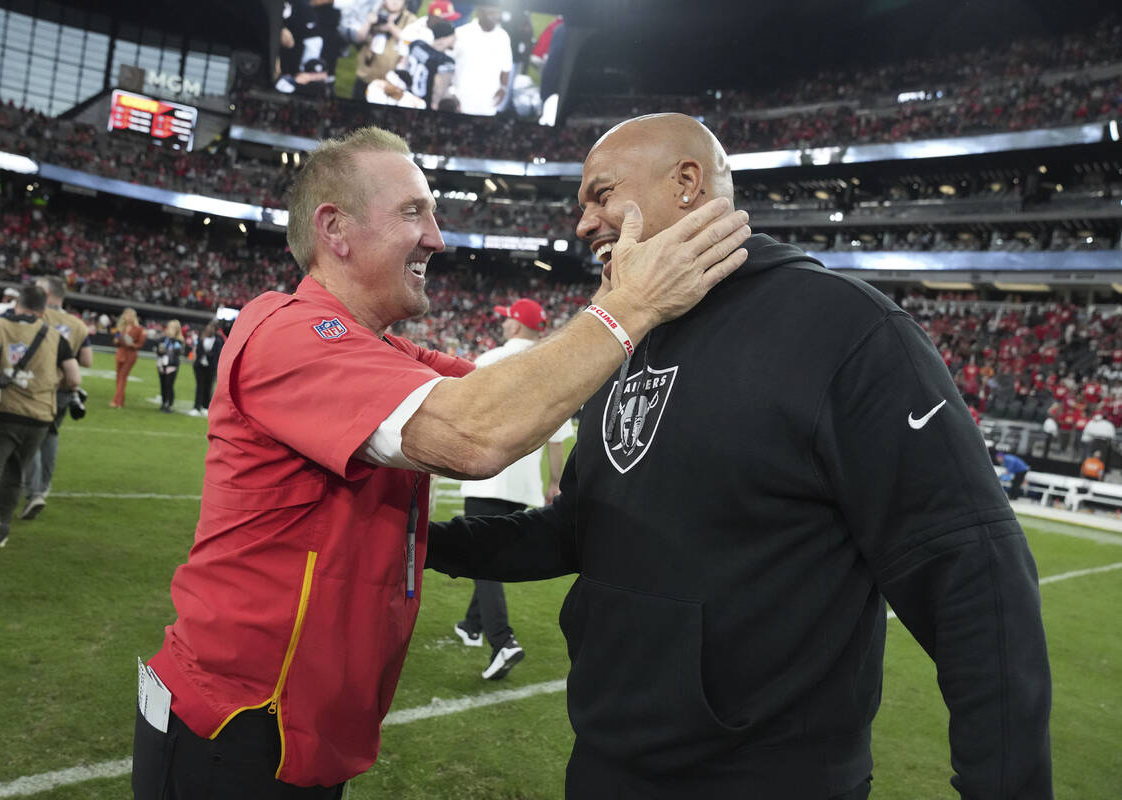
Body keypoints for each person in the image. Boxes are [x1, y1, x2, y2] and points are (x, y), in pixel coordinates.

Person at [427, 113, 1052, 799]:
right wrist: (426, 543)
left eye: (600, 194)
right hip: (609, 762)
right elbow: (577, 527)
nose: (584, 223)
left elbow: (972, 575)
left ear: (687, 182)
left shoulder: (845, 328)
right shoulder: (622, 338)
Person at [132, 125, 750, 798]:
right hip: (236, 723)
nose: (438, 236)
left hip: (296, 725)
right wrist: (630, 304)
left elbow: (526, 389)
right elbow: (476, 433)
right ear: (334, 228)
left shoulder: (382, 351)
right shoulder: (287, 331)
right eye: (413, 211)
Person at [454, 297, 575, 680]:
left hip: (486, 474)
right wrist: (554, 482)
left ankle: (502, 640)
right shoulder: (552, 369)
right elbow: (558, 439)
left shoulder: (490, 360)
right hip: (523, 484)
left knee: (481, 557)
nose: (504, 324)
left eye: (508, 320)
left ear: (518, 325)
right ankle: (472, 625)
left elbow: (461, 414)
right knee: (491, 553)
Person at [0, 283, 82, 573]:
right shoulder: (54, 335)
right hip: (41, 417)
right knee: (13, 475)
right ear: (43, 309)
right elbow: (74, 377)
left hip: (5, 413)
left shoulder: (1, 326)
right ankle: (0, 530)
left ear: (18, 302)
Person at [19, 276, 92, 520]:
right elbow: (87, 360)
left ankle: (34, 490)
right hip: (65, 389)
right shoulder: (77, 324)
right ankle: (44, 485)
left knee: (30, 436)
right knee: (50, 435)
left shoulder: (38, 315)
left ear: (47, 294)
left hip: (38, 387)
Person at [450, 4, 512, 116]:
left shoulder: (503, 37)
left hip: (488, 100)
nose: (496, 17)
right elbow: (448, 65)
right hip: (461, 97)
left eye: (497, 13)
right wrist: (450, 91)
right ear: (480, 12)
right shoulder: (461, 33)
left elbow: (506, 66)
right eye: (491, 13)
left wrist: (503, 87)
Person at [351, 0, 416, 102]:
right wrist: (368, 23)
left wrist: (391, 27)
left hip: (390, 83)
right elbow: (359, 38)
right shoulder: (373, 12)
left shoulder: (410, 19)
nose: (395, 2)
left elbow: (411, 42)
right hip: (366, 76)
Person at [111, 308, 145, 408]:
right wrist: (117, 341)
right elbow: (116, 342)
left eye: (130, 316)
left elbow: (140, 344)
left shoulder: (138, 329)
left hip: (130, 355)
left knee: (122, 377)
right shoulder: (121, 328)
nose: (128, 317)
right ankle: (120, 400)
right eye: (126, 315)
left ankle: (116, 401)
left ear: (134, 317)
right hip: (120, 353)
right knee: (118, 377)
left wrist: (132, 345)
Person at [190, 319, 224, 417]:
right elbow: (198, 351)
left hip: (211, 367)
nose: (210, 330)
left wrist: (209, 356)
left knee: (208, 387)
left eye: (212, 328)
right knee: (199, 386)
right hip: (200, 366)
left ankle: (205, 407)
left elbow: (217, 355)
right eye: (209, 328)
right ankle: (196, 407)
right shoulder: (202, 338)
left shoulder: (218, 341)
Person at [156, 319, 185, 413]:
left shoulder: (178, 340)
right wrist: (160, 350)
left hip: (172, 365)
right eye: (170, 327)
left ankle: (169, 404)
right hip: (162, 364)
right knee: (163, 384)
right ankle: (163, 402)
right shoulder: (163, 338)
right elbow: (159, 351)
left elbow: (177, 352)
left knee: (169, 385)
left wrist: (171, 339)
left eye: (173, 327)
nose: (170, 329)